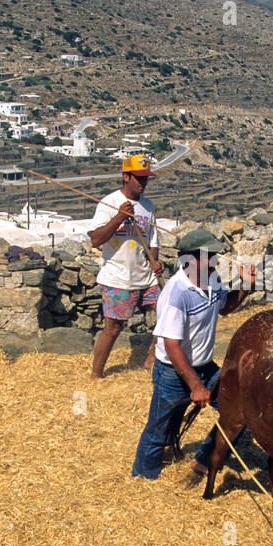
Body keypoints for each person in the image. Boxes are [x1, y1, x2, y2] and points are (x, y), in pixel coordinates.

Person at [131, 229, 257, 481]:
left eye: (214, 254)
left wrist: (245, 288)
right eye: (208, 255)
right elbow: (171, 346)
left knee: (241, 409)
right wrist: (196, 386)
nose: (215, 260)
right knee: (157, 431)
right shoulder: (176, 292)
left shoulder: (211, 278)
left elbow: (224, 308)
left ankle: (204, 460)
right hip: (171, 372)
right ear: (189, 260)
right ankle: (143, 478)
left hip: (205, 366)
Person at [89, 154, 162, 379]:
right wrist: (119, 217)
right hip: (119, 277)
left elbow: (152, 240)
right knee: (113, 328)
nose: (142, 183)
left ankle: (152, 358)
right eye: (138, 178)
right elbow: (96, 239)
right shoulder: (109, 203)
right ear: (125, 177)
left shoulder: (148, 206)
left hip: (147, 276)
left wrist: (155, 262)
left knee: (168, 316)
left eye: (146, 178)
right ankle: (96, 374)